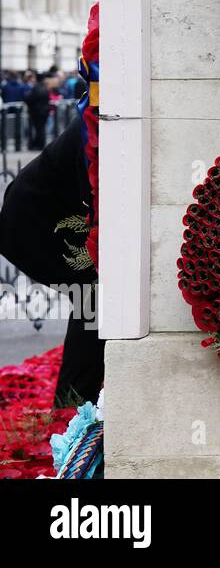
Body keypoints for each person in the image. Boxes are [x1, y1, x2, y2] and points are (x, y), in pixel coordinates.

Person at [0, 115, 102, 407]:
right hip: (31, 227)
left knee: (93, 302)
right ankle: (73, 406)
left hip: (48, 220)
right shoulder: (95, 128)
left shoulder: (101, 119)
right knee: (92, 300)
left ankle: (78, 401)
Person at [24, 71, 54, 150]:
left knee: (39, 129)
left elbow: (30, 99)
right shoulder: (45, 89)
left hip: (37, 112)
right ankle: (40, 143)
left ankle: (39, 144)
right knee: (41, 129)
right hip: (44, 112)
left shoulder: (36, 88)